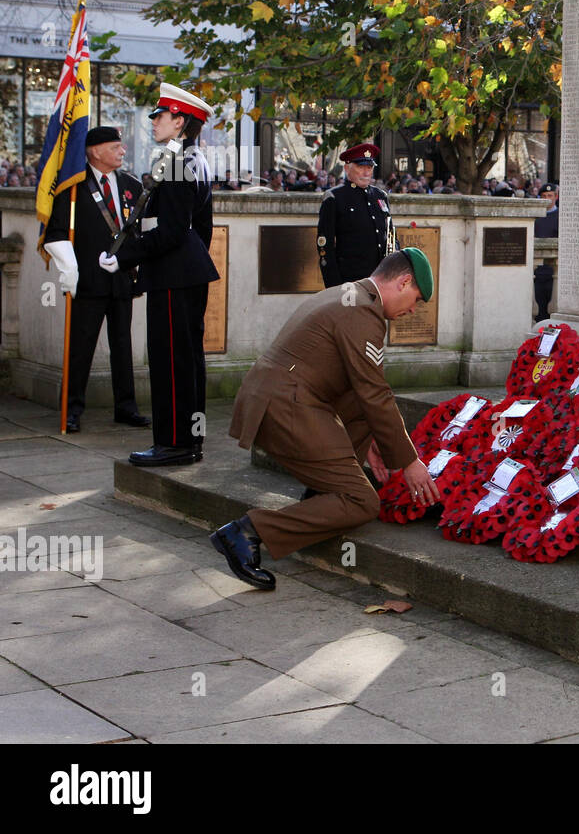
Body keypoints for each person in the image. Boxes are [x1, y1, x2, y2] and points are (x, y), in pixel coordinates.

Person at [213, 248, 438, 588]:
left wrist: (378, 438)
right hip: (285, 405)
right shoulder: (364, 312)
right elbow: (376, 392)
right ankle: (246, 532)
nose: (412, 311)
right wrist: (409, 462)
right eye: (416, 299)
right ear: (404, 281)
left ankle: (322, 499)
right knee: (363, 502)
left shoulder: (348, 293)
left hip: (279, 395)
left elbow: (360, 392)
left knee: (365, 417)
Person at [101, 83, 219, 467]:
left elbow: (172, 231)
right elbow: (201, 229)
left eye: (161, 116)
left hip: (174, 274)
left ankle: (174, 443)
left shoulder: (181, 162)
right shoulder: (187, 158)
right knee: (187, 358)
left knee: (171, 360)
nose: (154, 122)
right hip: (184, 270)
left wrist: (126, 256)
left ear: (180, 121)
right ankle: (190, 440)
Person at [43, 125, 149, 433]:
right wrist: (69, 269)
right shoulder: (74, 187)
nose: (122, 151)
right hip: (87, 280)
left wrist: (135, 263)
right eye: (115, 146)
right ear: (94, 151)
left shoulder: (130, 185)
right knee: (81, 347)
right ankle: (72, 408)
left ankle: (126, 407)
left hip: (121, 278)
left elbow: (140, 230)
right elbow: (57, 232)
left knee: (122, 345)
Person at [316, 142, 393, 288]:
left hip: (380, 280)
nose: (366, 172)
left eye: (369, 167)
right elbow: (325, 246)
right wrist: (335, 286)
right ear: (347, 168)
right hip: (350, 281)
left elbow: (390, 235)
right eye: (360, 167)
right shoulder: (334, 197)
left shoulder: (380, 196)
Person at [532, 182, 559, 320]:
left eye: (550, 195)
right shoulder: (535, 216)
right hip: (536, 271)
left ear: (556, 196)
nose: (547, 198)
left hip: (552, 271)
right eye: (544, 196)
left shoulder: (561, 216)